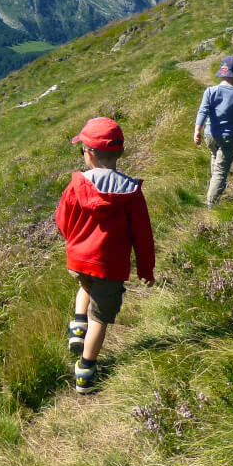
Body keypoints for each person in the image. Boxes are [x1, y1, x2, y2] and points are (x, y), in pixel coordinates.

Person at [55, 117, 155, 394]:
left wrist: (73, 240)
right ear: (120, 153)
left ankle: (77, 325)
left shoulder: (76, 186)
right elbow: (143, 237)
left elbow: (62, 221)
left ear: (88, 153)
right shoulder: (132, 193)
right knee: (101, 318)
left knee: (84, 284)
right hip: (110, 267)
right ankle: (85, 369)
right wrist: (145, 269)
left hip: (78, 260)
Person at [194, 55, 233, 207]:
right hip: (227, 137)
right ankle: (212, 202)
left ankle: (215, 189)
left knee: (214, 157)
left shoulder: (210, 91)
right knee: (221, 171)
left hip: (209, 135)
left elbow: (202, 111)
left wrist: (197, 130)